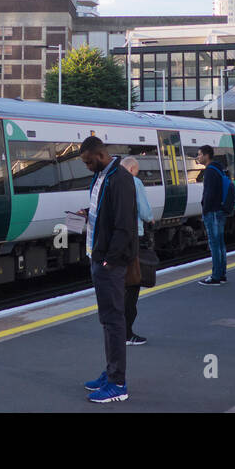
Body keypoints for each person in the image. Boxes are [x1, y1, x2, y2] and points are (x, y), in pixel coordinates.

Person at [77, 136, 137, 403]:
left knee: (114, 321)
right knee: (107, 320)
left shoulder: (120, 179)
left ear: (100, 155)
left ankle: (118, 384)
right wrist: (87, 215)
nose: (87, 166)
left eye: (88, 162)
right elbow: (106, 214)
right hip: (98, 256)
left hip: (109, 263)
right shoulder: (102, 176)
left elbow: (124, 225)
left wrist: (109, 260)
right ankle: (110, 371)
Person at [120, 155, 154, 345]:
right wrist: (150, 218)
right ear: (132, 169)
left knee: (121, 286)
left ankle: (120, 332)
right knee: (132, 286)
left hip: (116, 240)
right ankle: (127, 333)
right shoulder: (135, 182)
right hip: (134, 237)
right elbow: (144, 210)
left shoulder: (110, 181)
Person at [196, 144, 232, 285]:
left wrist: (205, 209)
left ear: (206, 155)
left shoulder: (210, 171)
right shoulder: (219, 169)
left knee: (214, 245)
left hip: (213, 213)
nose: (198, 157)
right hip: (220, 211)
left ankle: (216, 276)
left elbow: (209, 194)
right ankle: (222, 274)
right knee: (220, 244)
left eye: (199, 154)